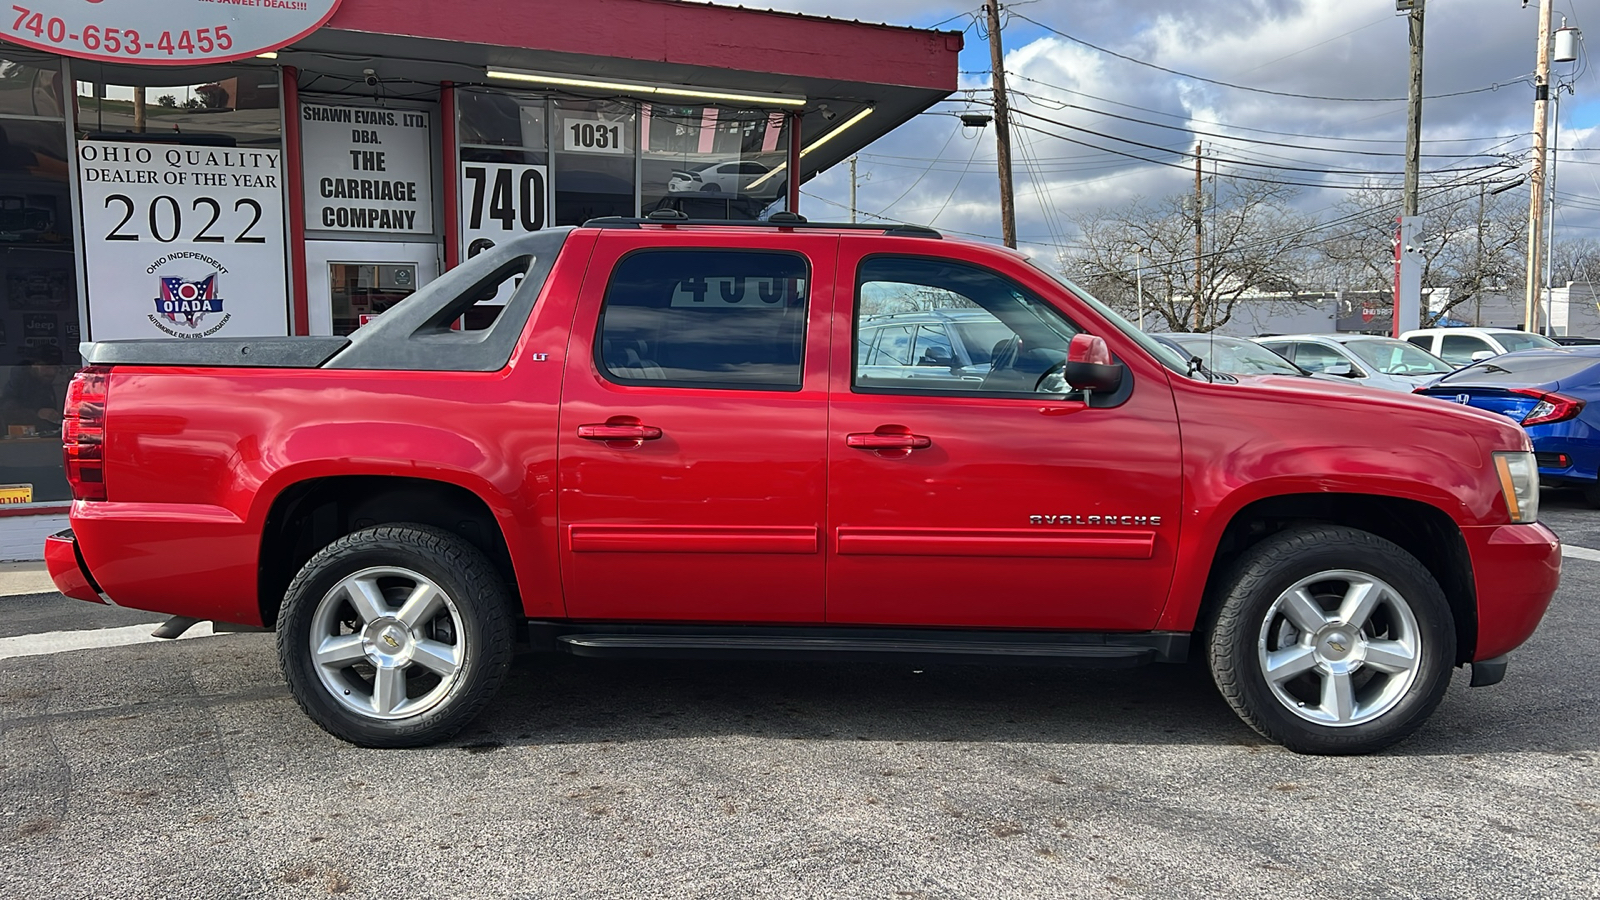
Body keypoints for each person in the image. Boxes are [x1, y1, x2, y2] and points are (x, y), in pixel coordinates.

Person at [2, 346, 65, 436]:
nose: (52, 372)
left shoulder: (45, 383)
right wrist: (38, 413)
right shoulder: (18, 383)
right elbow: (7, 411)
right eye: (46, 367)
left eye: (56, 368)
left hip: (47, 438)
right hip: (22, 440)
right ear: (33, 364)